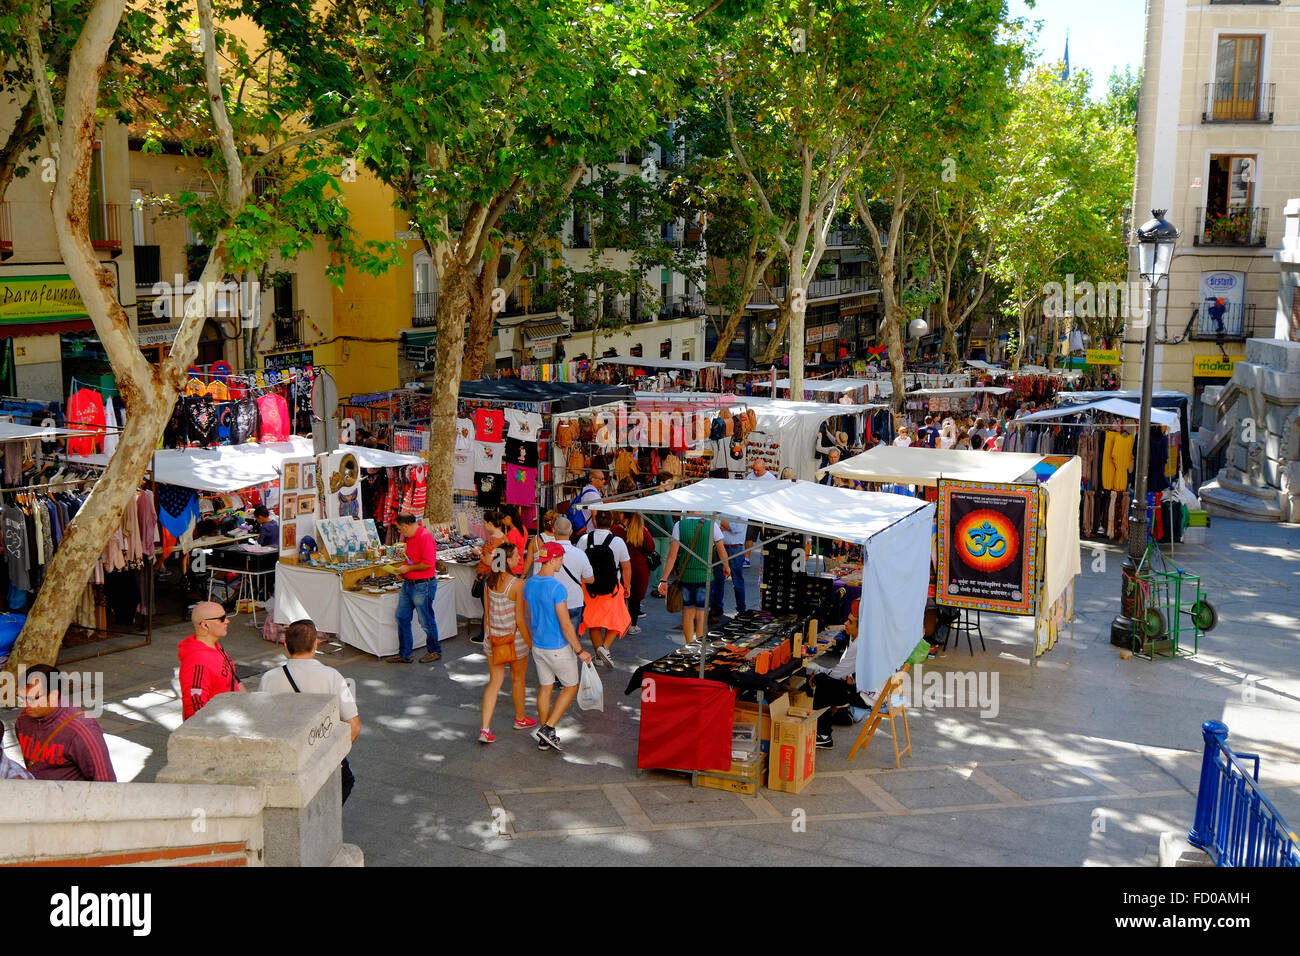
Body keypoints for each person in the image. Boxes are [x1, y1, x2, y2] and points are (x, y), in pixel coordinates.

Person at [259, 619, 361, 804]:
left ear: (285, 645)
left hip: (287, 758)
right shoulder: (332, 677)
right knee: (345, 783)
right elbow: (354, 725)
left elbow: (263, 725)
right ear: (316, 643)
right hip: (321, 752)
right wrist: (335, 755)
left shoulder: (269, 679)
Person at [524, 542, 594, 753]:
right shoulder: (557, 588)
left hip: (538, 645)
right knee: (571, 686)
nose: (562, 562)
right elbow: (565, 624)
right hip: (558, 646)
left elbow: (529, 615)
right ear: (552, 560)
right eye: (561, 558)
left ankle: (545, 735)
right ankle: (548, 728)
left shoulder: (529, 583)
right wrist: (580, 651)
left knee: (545, 688)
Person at [475, 542, 537, 743]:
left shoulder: (488, 581)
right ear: (508, 560)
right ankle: (520, 718)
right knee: (518, 679)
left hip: (493, 639)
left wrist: (487, 637)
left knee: (494, 682)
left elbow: (486, 616)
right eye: (517, 556)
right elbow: (520, 620)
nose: (520, 558)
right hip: (515, 640)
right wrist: (530, 643)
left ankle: (485, 728)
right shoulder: (517, 584)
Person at [16, 665, 116, 781]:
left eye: (33, 699)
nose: (25, 705)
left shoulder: (82, 729)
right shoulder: (23, 720)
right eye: (22, 698)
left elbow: (105, 782)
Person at [656, 513, 730, 644]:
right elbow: (721, 549)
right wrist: (726, 566)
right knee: (702, 615)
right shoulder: (712, 524)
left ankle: (689, 645)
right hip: (705, 577)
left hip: (686, 577)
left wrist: (664, 579)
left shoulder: (679, 525)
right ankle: (699, 645)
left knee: (688, 612)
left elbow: (672, 556)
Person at [804, 601, 864, 750]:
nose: (845, 623)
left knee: (823, 681)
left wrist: (818, 674)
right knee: (822, 676)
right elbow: (843, 671)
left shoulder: (858, 645)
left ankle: (824, 735)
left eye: (850, 622)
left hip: (862, 695)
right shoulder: (857, 640)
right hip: (856, 686)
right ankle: (823, 729)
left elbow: (837, 674)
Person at [578, 510, 632, 666]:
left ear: (595, 521)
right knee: (620, 618)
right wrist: (627, 585)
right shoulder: (618, 542)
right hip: (612, 588)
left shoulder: (584, 539)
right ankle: (604, 647)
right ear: (611, 523)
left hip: (589, 587)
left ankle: (598, 654)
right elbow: (626, 566)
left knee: (593, 622)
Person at [388, 512, 442, 664]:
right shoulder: (410, 537)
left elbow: (428, 563)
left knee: (426, 620)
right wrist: (404, 571)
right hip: (409, 584)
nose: (399, 532)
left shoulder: (424, 536)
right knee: (401, 617)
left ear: (405, 526)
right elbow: (412, 560)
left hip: (422, 585)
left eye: (399, 529)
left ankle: (434, 650)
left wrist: (408, 570)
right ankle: (405, 654)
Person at [179, 601, 244, 721]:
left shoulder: (215, 646)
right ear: (205, 625)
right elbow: (195, 709)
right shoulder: (197, 660)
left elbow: (234, 679)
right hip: (217, 729)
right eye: (222, 618)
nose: (227, 621)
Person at [550, 515, 595, 639]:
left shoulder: (546, 553)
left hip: (551, 601)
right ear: (570, 532)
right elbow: (590, 579)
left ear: (553, 530)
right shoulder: (580, 554)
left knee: (553, 639)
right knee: (571, 639)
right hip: (574, 601)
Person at [613, 510, 656, 634]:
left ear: (623, 515)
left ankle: (619, 626)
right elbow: (650, 547)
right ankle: (632, 625)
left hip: (620, 567)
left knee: (620, 598)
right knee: (635, 599)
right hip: (639, 568)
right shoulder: (641, 530)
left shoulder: (615, 530)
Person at [709, 510, 748, 623]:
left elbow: (736, 528)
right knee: (718, 580)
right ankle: (717, 609)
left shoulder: (743, 511)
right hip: (722, 547)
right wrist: (727, 525)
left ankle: (741, 609)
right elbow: (719, 526)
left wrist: (722, 523)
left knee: (737, 581)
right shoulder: (725, 509)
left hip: (735, 549)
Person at [742, 458, 777, 568]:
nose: (756, 472)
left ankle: (765, 558)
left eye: (758, 470)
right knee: (749, 536)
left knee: (765, 538)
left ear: (764, 468)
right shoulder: (750, 476)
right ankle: (746, 559)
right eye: (754, 470)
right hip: (752, 511)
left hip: (764, 512)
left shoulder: (771, 479)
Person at [569, 469, 605, 537]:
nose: (604, 481)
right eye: (602, 479)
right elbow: (595, 517)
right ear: (593, 479)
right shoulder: (593, 495)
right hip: (592, 533)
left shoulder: (586, 490)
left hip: (586, 531)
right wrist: (601, 534)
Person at [526, 510, 560, 574]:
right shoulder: (561, 540)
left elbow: (528, 561)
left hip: (538, 580)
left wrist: (523, 576)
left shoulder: (535, 540)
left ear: (544, 524)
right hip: (556, 580)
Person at [499, 505, 529, 575]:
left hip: (512, 568)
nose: (502, 522)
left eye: (503, 520)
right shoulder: (523, 528)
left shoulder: (511, 534)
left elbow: (508, 553)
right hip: (520, 565)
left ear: (508, 518)